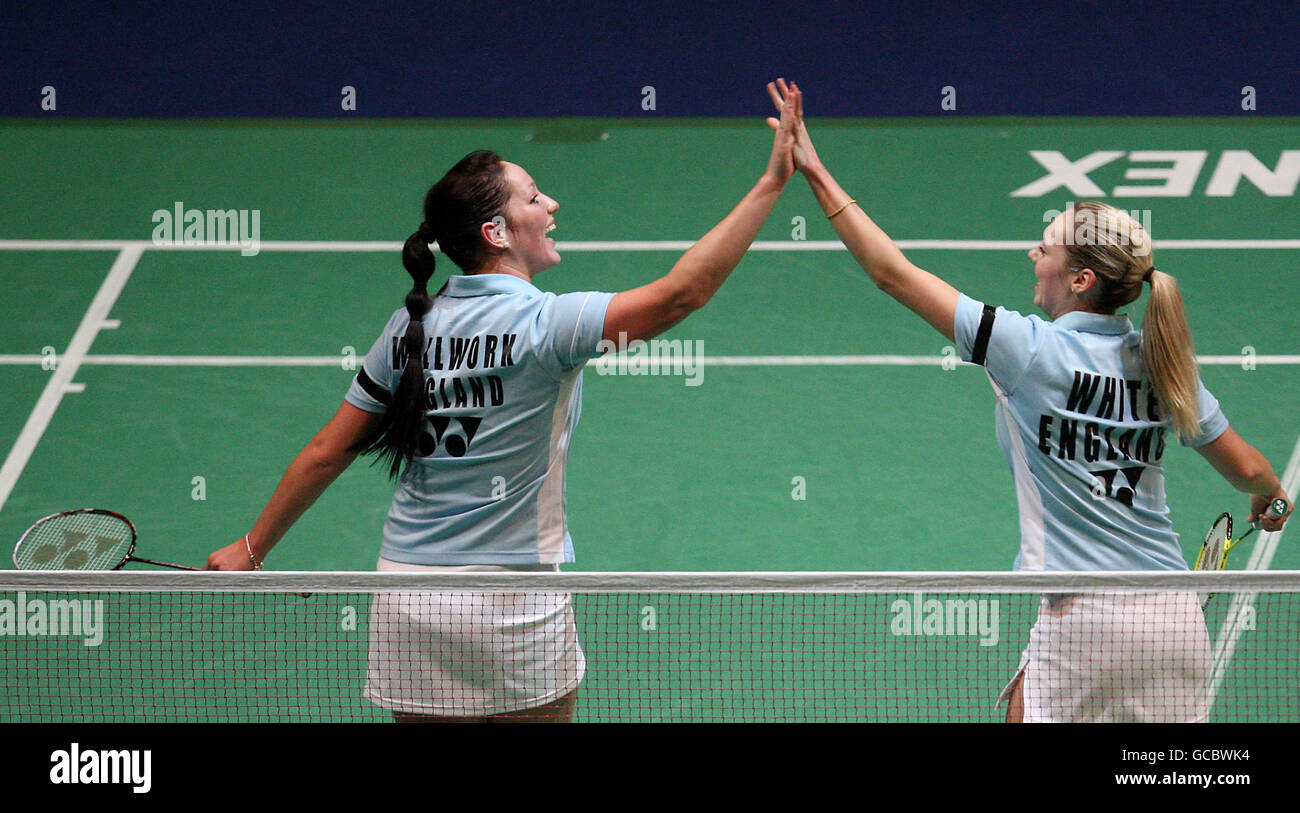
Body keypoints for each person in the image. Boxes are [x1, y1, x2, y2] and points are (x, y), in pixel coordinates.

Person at [204, 90, 799, 722]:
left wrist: (253, 546)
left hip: (408, 600)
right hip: (514, 605)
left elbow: (329, 453)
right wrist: (770, 183)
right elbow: (683, 294)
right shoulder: (549, 325)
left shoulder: (408, 327)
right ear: (497, 231)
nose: (552, 205)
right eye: (535, 197)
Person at [766, 79, 1292, 722]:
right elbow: (1248, 470)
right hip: (1176, 623)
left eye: (1045, 245)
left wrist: (815, 171)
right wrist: (1268, 497)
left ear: (1080, 278)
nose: (1031, 252)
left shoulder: (1026, 348)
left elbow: (892, 273)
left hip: (1081, 624)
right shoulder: (1165, 363)